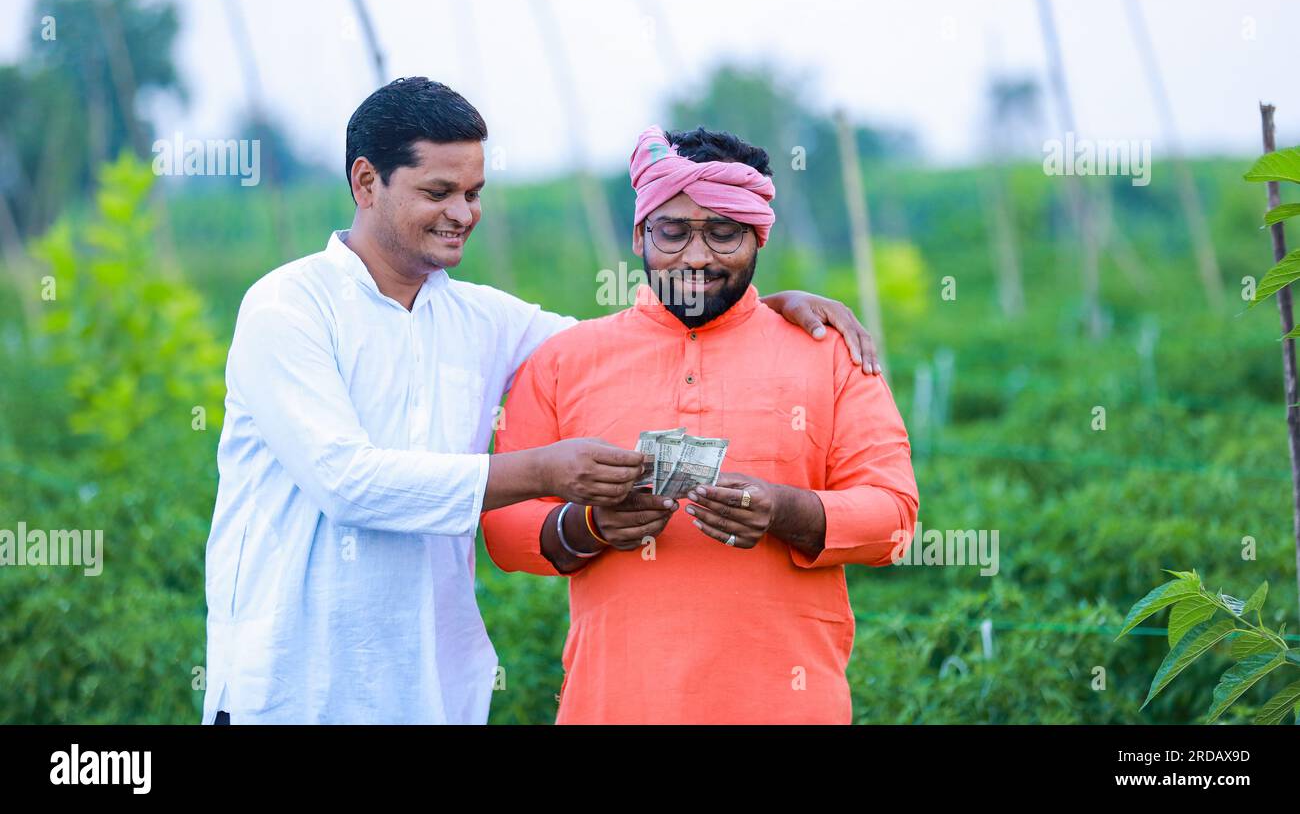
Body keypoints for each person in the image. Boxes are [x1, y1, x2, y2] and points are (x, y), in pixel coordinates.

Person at [203, 78, 880, 724]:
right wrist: (546, 473)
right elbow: (346, 482)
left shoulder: (486, 320)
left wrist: (769, 311)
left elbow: (640, 344)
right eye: (439, 191)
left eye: (474, 192)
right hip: (293, 685)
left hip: (428, 689)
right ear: (365, 181)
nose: (463, 214)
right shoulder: (289, 307)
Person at [481, 124, 919, 724]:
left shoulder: (830, 352)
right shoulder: (565, 359)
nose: (696, 256)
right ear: (639, 232)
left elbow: (895, 518)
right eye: (672, 231)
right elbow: (502, 529)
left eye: (723, 233)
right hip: (615, 705)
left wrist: (784, 510)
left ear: (758, 235)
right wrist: (591, 525)